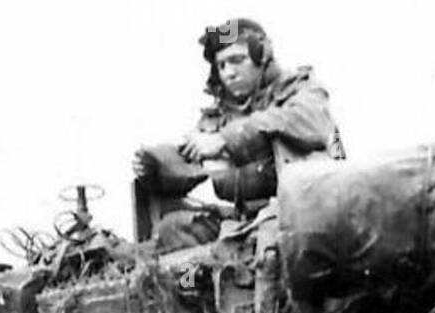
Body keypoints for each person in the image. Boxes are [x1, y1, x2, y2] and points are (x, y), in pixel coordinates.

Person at [132, 18, 344, 251]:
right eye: (221, 65)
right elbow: (187, 163)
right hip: (243, 220)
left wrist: (226, 139)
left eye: (237, 60)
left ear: (260, 55)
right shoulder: (219, 117)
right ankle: (189, 285)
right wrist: (154, 166)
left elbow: (313, 122)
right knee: (172, 230)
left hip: (301, 216)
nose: (229, 73)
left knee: (268, 246)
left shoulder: (300, 89)